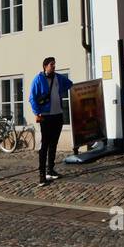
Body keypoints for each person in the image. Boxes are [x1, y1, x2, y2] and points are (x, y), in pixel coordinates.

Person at [28, 57, 73, 186]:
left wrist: (60, 90)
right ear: (45, 66)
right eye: (51, 65)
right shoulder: (38, 79)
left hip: (58, 115)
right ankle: (42, 175)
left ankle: (51, 170)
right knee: (45, 145)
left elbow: (69, 84)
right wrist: (37, 113)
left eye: (54, 64)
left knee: (54, 143)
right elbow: (32, 98)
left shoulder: (58, 78)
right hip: (46, 116)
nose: (54, 66)